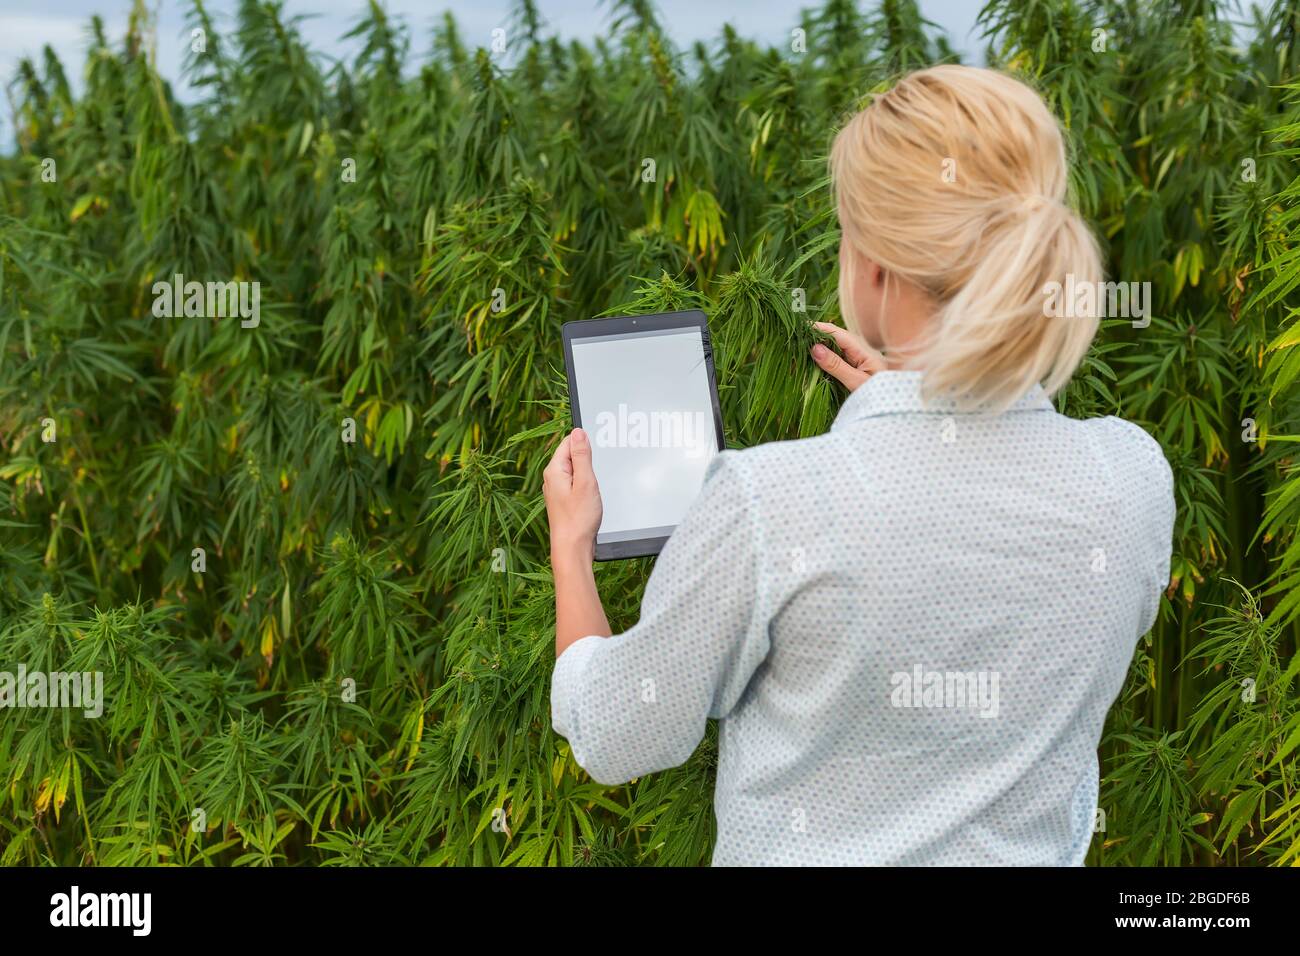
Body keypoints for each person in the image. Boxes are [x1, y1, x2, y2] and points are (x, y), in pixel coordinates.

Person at [541, 64, 1175, 866]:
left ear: (873, 267)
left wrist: (571, 547)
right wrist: (914, 401)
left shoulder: (768, 504)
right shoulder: (1132, 480)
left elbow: (614, 733)